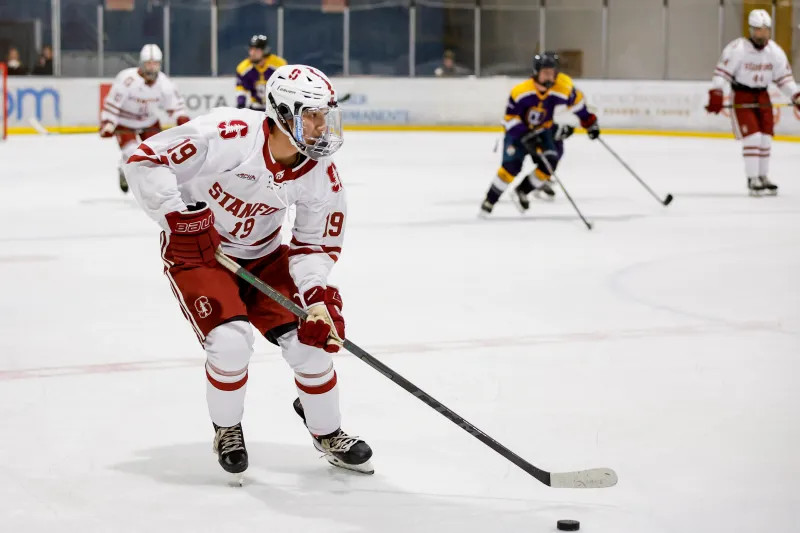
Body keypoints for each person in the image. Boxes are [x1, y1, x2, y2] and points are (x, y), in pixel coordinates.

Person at [124, 64, 373, 477]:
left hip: (264, 255)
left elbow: (313, 244)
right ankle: (227, 428)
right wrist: (176, 216)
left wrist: (316, 299)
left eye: (325, 115)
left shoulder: (321, 174)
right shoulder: (230, 134)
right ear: (283, 114)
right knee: (230, 341)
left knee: (311, 344)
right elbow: (147, 159)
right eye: (312, 116)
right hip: (201, 254)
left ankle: (327, 431)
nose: (321, 126)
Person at [479, 52, 599, 216]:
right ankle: (490, 200)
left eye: (552, 72)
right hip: (517, 133)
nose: (549, 76)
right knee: (511, 168)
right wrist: (525, 135)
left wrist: (590, 123)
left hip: (543, 131)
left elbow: (578, 105)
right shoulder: (521, 92)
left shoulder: (562, 88)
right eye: (545, 72)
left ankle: (522, 190)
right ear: (536, 73)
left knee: (550, 163)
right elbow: (509, 118)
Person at [705, 9, 799, 196]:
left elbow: (784, 79)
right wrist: (717, 92)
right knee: (753, 137)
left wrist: (796, 95)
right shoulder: (737, 49)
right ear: (750, 30)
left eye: (765, 30)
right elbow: (722, 73)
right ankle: (752, 179)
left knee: (765, 137)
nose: (762, 34)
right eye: (758, 30)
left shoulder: (775, 52)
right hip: (742, 95)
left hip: (763, 95)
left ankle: (763, 176)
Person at [100, 44, 189, 193]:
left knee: (157, 156)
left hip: (149, 122)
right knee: (132, 153)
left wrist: (183, 121)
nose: (152, 68)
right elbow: (113, 103)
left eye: (155, 64)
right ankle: (124, 169)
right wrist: (108, 122)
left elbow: (176, 106)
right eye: (148, 63)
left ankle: (154, 189)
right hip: (125, 123)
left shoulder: (165, 83)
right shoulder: (127, 79)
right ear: (141, 63)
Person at [236, 34, 287, 111]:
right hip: (256, 107)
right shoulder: (243, 68)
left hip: (276, 108)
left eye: (256, 50)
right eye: (251, 49)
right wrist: (241, 104)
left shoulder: (279, 65)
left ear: (265, 51)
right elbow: (241, 89)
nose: (252, 53)